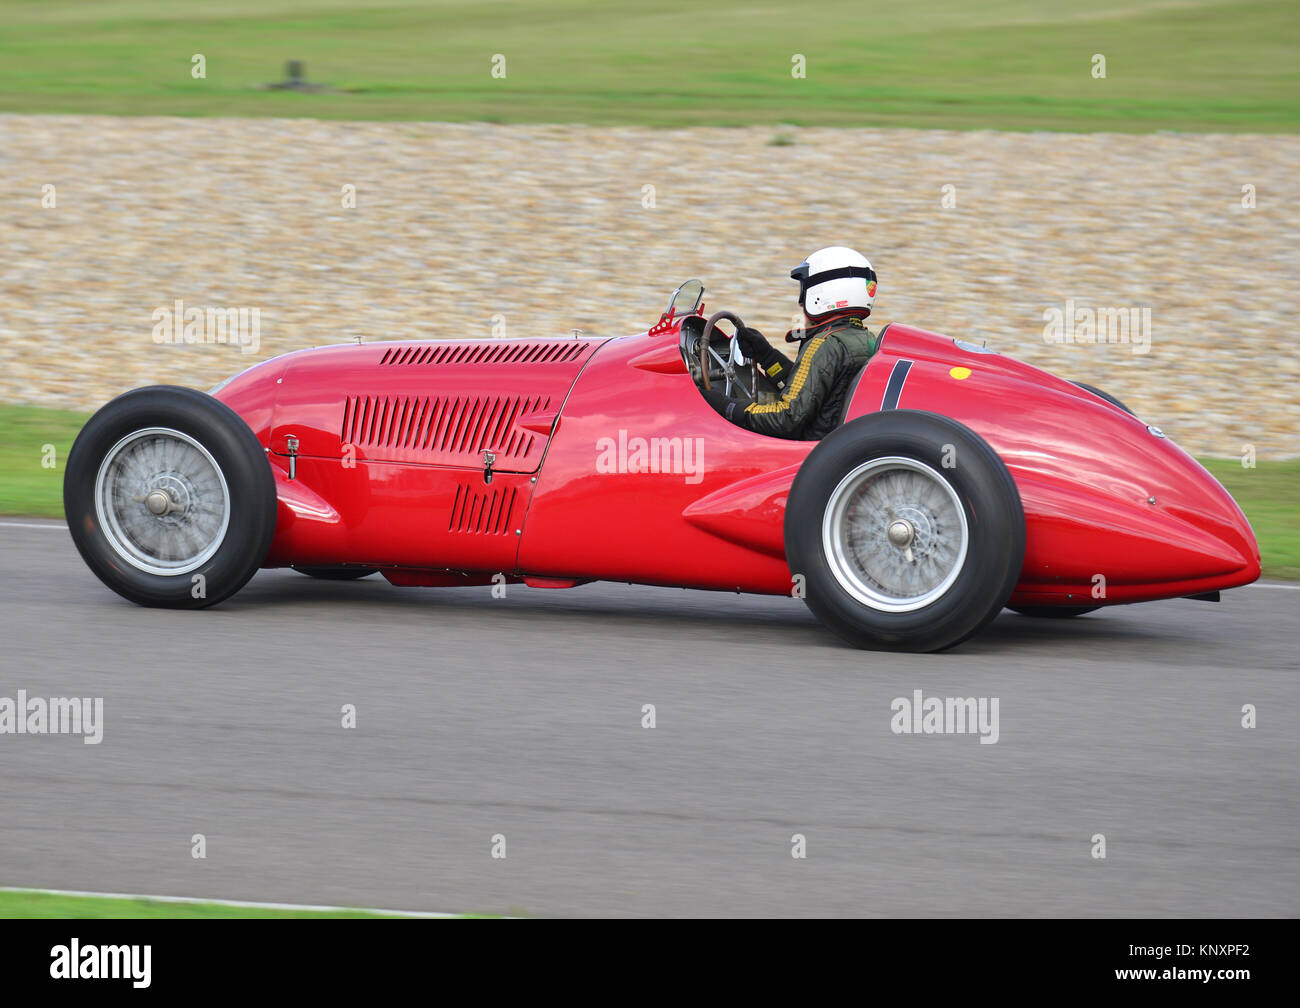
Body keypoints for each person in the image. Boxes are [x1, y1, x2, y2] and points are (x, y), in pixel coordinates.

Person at [702, 246, 880, 440]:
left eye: (805, 290)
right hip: (832, 443)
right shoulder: (864, 338)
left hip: (807, 453)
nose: (801, 302)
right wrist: (767, 356)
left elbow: (786, 419)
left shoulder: (825, 344)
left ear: (825, 292)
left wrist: (726, 407)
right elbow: (813, 390)